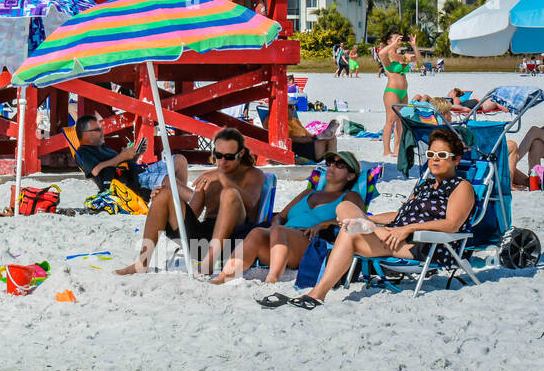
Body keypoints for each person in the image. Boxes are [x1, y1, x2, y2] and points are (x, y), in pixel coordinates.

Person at [269, 128, 475, 308]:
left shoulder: (462, 187)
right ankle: (318, 294)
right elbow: (400, 215)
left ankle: (318, 292)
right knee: (346, 209)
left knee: (350, 230)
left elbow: (452, 224)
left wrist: (409, 229)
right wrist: (371, 218)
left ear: (456, 159)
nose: (434, 159)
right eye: (431, 154)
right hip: (393, 235)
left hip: (424, 243)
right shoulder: (426, 185)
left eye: (441, 154)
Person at [116, 127, 265, 276]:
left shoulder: (253, 174)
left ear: (241, 154)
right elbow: (192, 212)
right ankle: (142, 263)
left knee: (230, 194)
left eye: (229, 156)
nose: (223, 161)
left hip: (234, 240)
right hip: (201, 243)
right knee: (164, 193)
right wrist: (162, 203)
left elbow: (252, 203)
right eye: (219, 156)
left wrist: (223, 178)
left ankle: (210, 262)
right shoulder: (209, 176)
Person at [211, 151, 364, 286]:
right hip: (280, 240)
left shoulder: (350, 196)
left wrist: (324, 224)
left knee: (279, 231)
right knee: (257, 232)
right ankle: (224, 276)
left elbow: (358, 220)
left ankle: (272, 279)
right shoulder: (308, 193)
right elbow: (281, 216)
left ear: (350, 176)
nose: (332, 166)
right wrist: (273, 227)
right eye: (330, 163)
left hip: (310, 243)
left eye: (340, 164)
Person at [72, 114, 187, 199]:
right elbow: (96, 171)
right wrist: (121, 157)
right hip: (133, 182)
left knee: (179, 160)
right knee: (167, 179)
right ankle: (193, 200)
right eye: (98, 130)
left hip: (139, 171)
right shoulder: (83, 152)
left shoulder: (103, 147)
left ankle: (182, 202)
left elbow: (123, 164)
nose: (102, 132)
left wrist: (136, 155)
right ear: (85, 134)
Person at [378, 32, 419, 157]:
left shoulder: (401, 56)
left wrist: (414, 45)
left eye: (400, 39)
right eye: (396, 39)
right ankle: (386, 150)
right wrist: (394, 44)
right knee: (390, 121)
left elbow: (418, 60)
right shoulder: (387, 55)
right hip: (392, 91)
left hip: (403, 92)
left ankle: (397, 148)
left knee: (401, 121)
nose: (399, 41)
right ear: (389, 41)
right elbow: (380, 54)